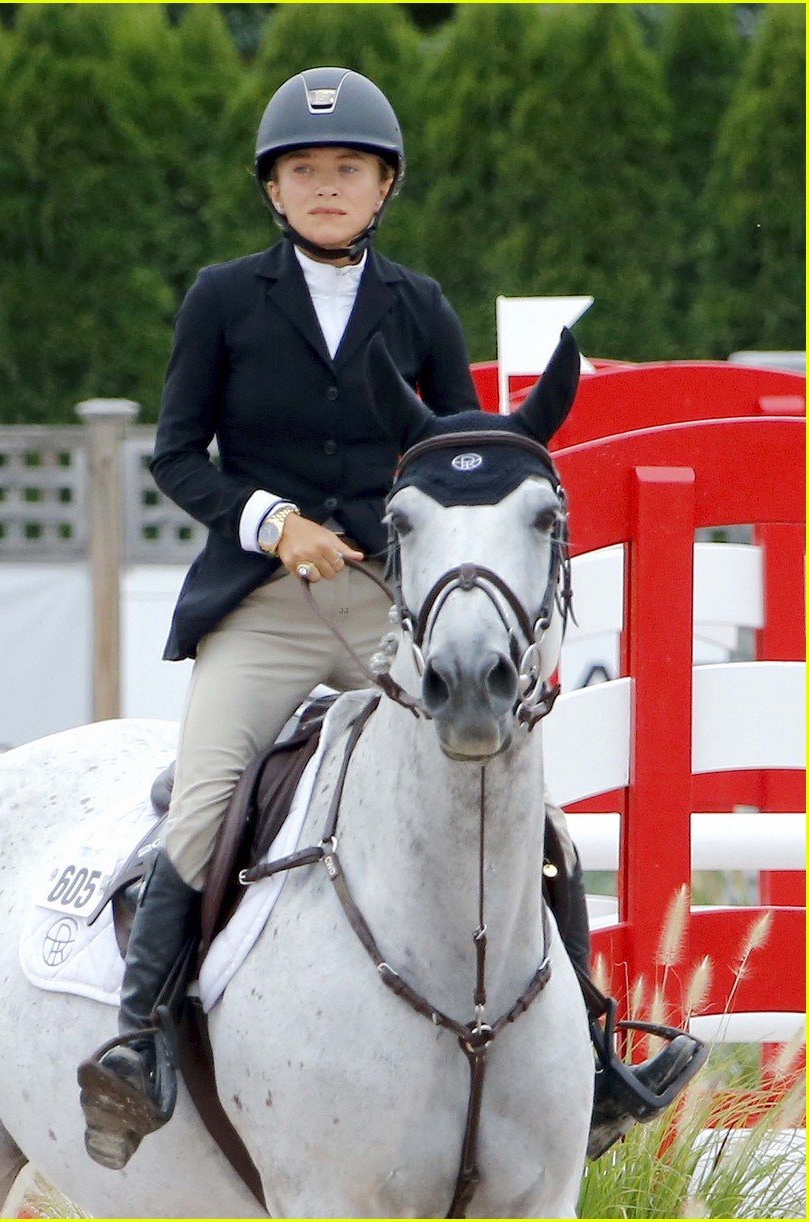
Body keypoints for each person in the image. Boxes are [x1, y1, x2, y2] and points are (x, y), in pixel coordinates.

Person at [80, 66, 700, 1172]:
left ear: (383, 188)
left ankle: (596, 1055)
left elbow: (454, 459)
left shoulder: (417, 304)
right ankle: (138, 1044)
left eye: (347, 171)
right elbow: (179, 452)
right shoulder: (224, 297)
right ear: (274, 191)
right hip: (265, 604)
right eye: (305, 171)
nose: (326, 188)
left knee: (511, 797)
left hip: (387, 603)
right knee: (207, 797)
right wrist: (274, 523)